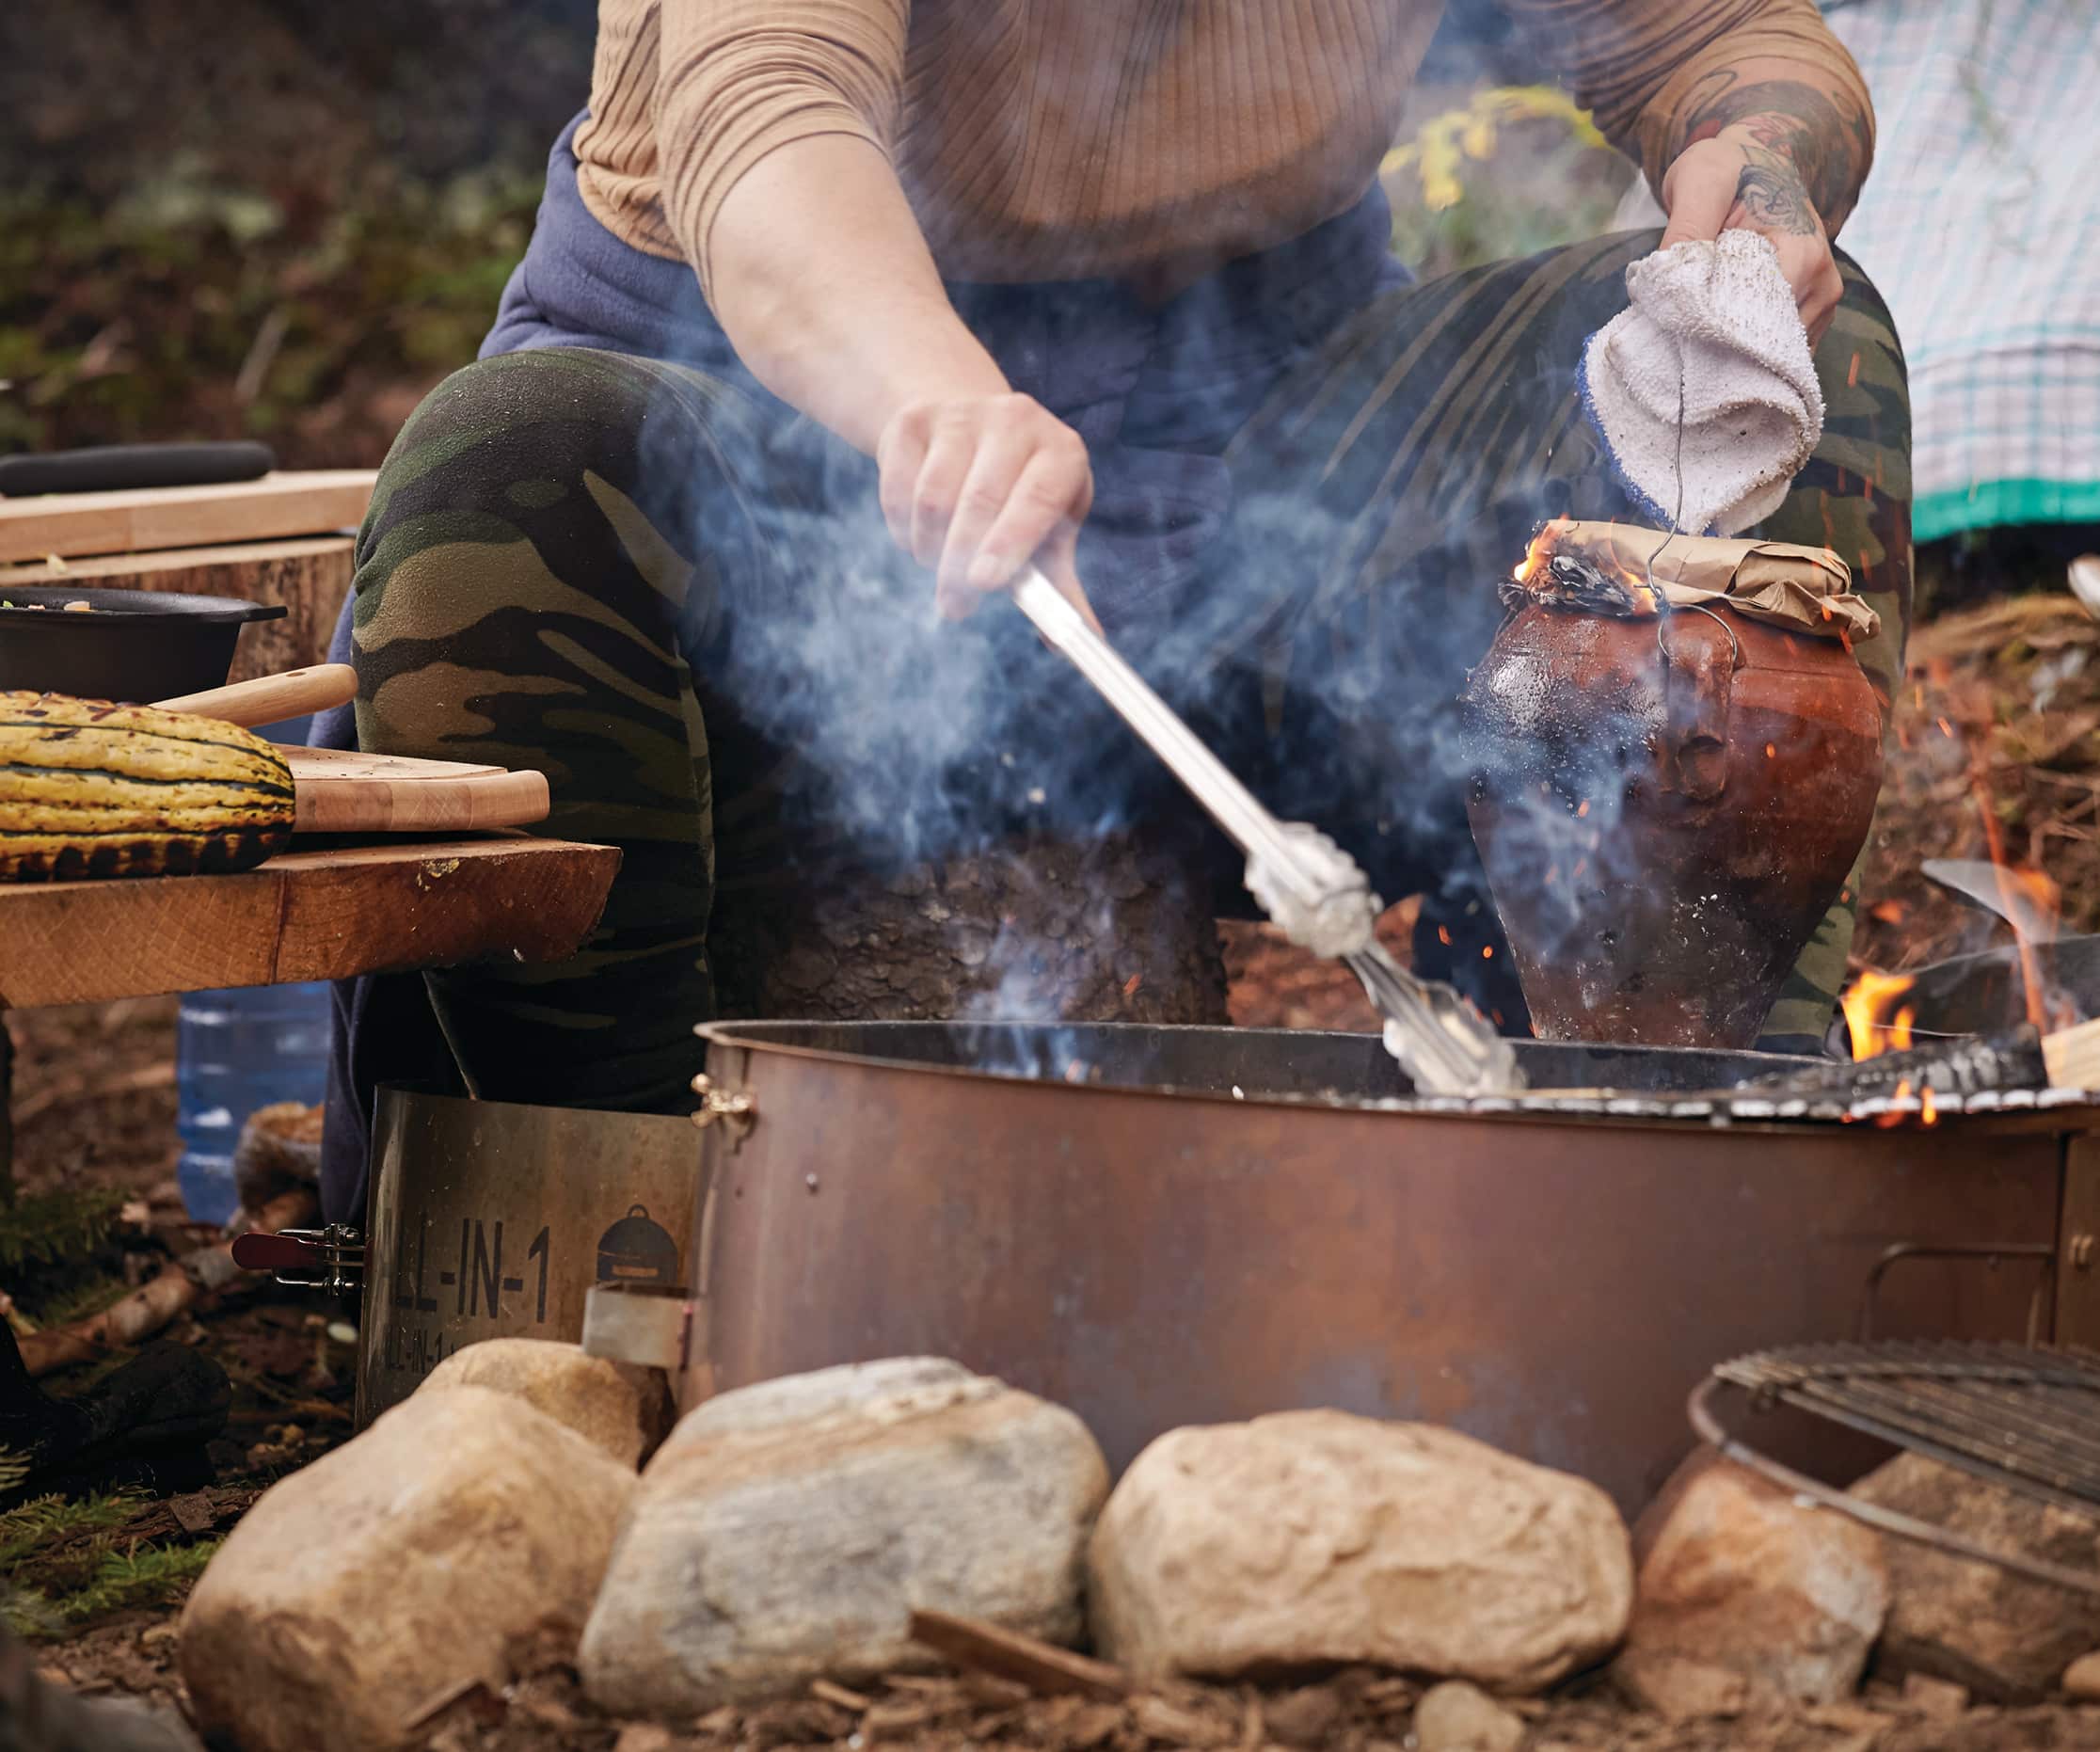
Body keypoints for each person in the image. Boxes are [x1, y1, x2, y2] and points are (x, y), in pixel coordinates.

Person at [314, 0, 1911, 1208]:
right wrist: (944, 405)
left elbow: (1718, 37)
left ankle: (1672, 1157)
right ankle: (606, 1253)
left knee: (1791, 357)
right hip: (777, 415)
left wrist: (1762, 178)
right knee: (512, 469)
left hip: (1261, 470)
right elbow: (763, 110)